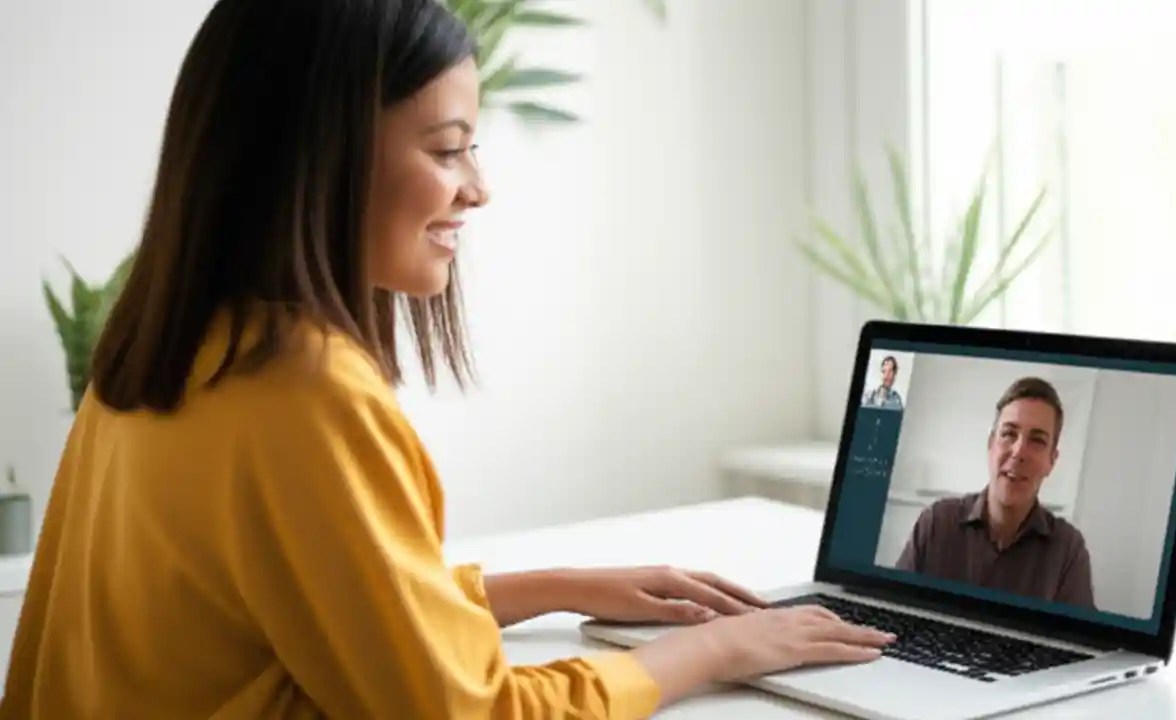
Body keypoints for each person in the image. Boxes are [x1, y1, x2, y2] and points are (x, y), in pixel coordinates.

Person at [0, 2, 895, 718]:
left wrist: (554, 586)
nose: (477, 185)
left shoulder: (165, 347)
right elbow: (465, 711)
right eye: (447, 148)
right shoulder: (303, 388)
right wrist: (717, 649)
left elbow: (317, 604)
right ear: (324, 157)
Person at [895, 377, 1095, 610]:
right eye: (1009, 434)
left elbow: (1076, 642)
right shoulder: (935, 523)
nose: (1019, 451)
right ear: (991, 444)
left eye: (1037, 440)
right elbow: (892, 609)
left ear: (1052, 461)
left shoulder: (1068, 550)